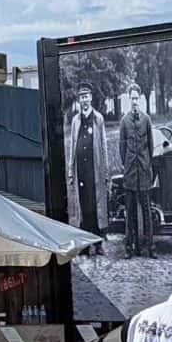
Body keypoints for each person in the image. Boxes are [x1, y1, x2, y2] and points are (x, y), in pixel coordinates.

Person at [116, 86, 156, 256]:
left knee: (147, 211)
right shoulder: (124, 121)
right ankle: (129, 247)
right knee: (130, 211)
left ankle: (150, 246)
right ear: (128, 99)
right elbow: (121, 147)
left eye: (136, 98)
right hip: (130, 172)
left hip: (144, 171)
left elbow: (151, 146)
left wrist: (147, 163)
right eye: (131, 99)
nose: (134, 102)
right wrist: (127, 164)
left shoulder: (146, 120)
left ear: (140, 99)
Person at [65, 84, 105, 236]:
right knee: (82, 202)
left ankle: (97, 235)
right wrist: (71, 171)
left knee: (95, 201)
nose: (84, 100)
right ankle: (85, 236)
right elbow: (72, 146)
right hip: (80, 169)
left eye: (86, 96)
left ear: (91, 98)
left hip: (94, 168)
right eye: (82, 97)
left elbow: (103, 146)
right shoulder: (76, 120)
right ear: (79, 100)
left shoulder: (98, 118)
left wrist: (105, 171)